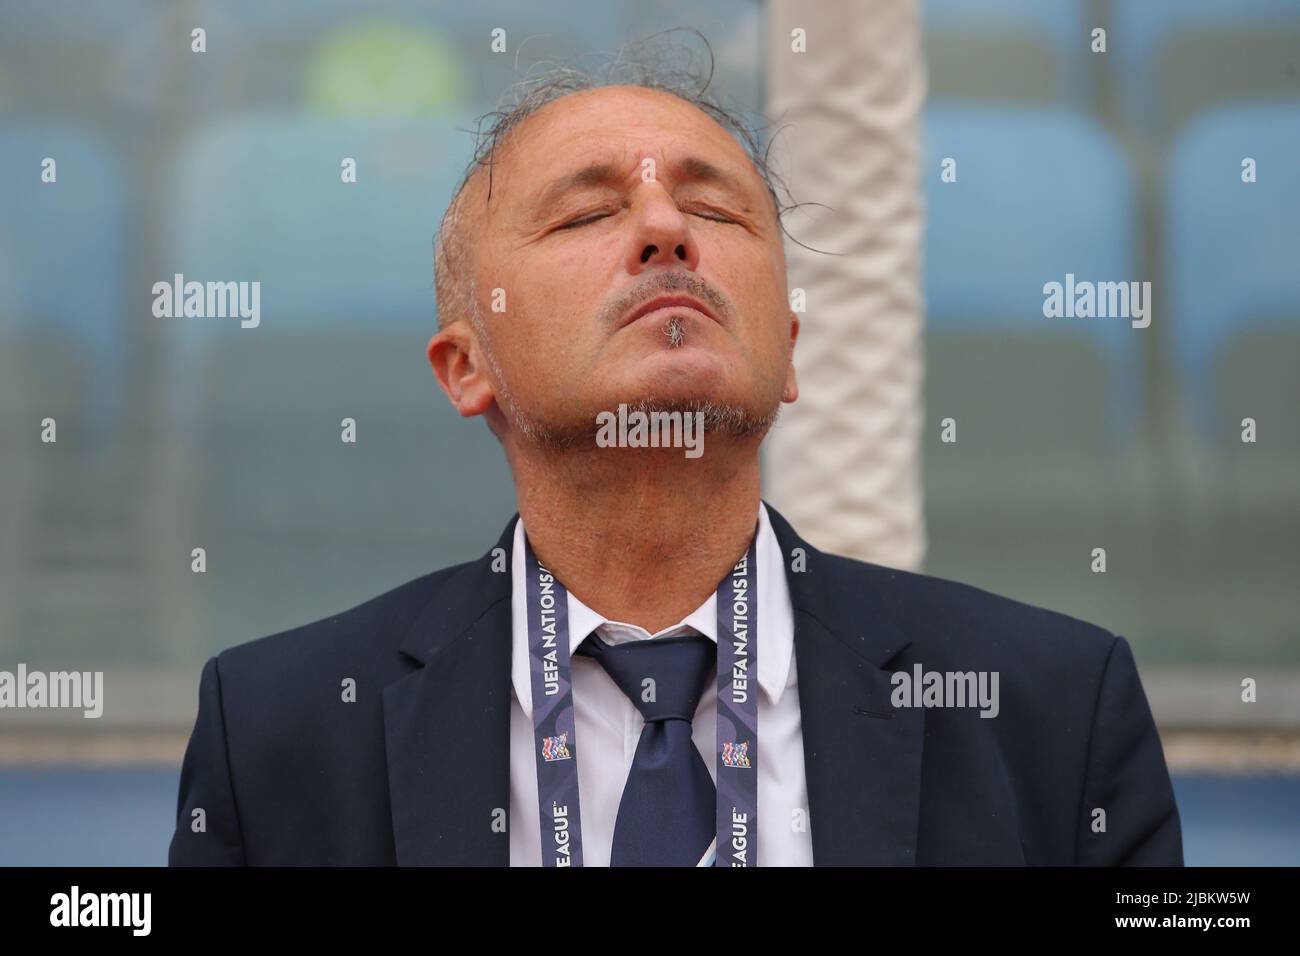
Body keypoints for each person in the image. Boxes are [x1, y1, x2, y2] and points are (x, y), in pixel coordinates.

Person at [168, 66, 1182, 867]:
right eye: (583, 214)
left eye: (719, 210)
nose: (665, 230)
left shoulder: (1051, 710)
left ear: (786, 350)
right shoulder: (277, 736)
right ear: (466, 363)